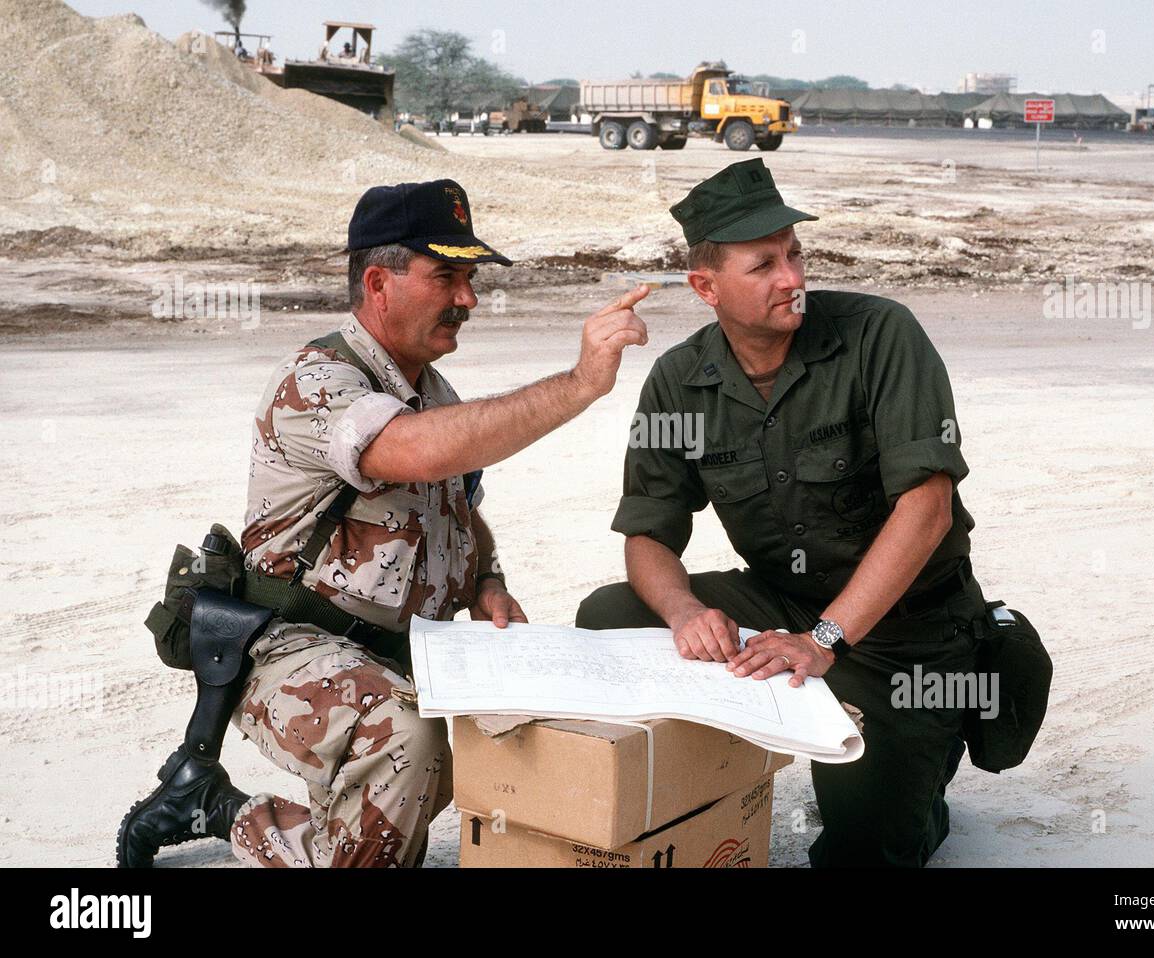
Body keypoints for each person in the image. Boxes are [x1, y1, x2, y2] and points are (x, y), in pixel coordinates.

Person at [118, 180, 650, 867]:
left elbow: (459, 502)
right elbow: (417, 451)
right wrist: (580, 382)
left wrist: (486, 580)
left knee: (471, 755)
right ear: (379, 282)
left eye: (471, 278)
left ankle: (214, 806)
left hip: (393, 654)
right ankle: (225, 808)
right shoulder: (315, 383)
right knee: (406, 743)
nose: (469, 299)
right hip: (281, 648)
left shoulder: (432, 390)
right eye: (448, 277)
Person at [576, 158, 983, 867]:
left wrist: (825, 638)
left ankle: (926, 751)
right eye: (764, 264)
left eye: (795, 254)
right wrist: (681, 612)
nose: (793, 278)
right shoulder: (680, 379)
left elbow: (928, 507)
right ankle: (709, 778)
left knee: (864, 853)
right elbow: (648, 530)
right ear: (706, 287)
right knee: (610, 617)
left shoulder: (880, 335)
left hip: (905, 628)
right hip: (785, 602)